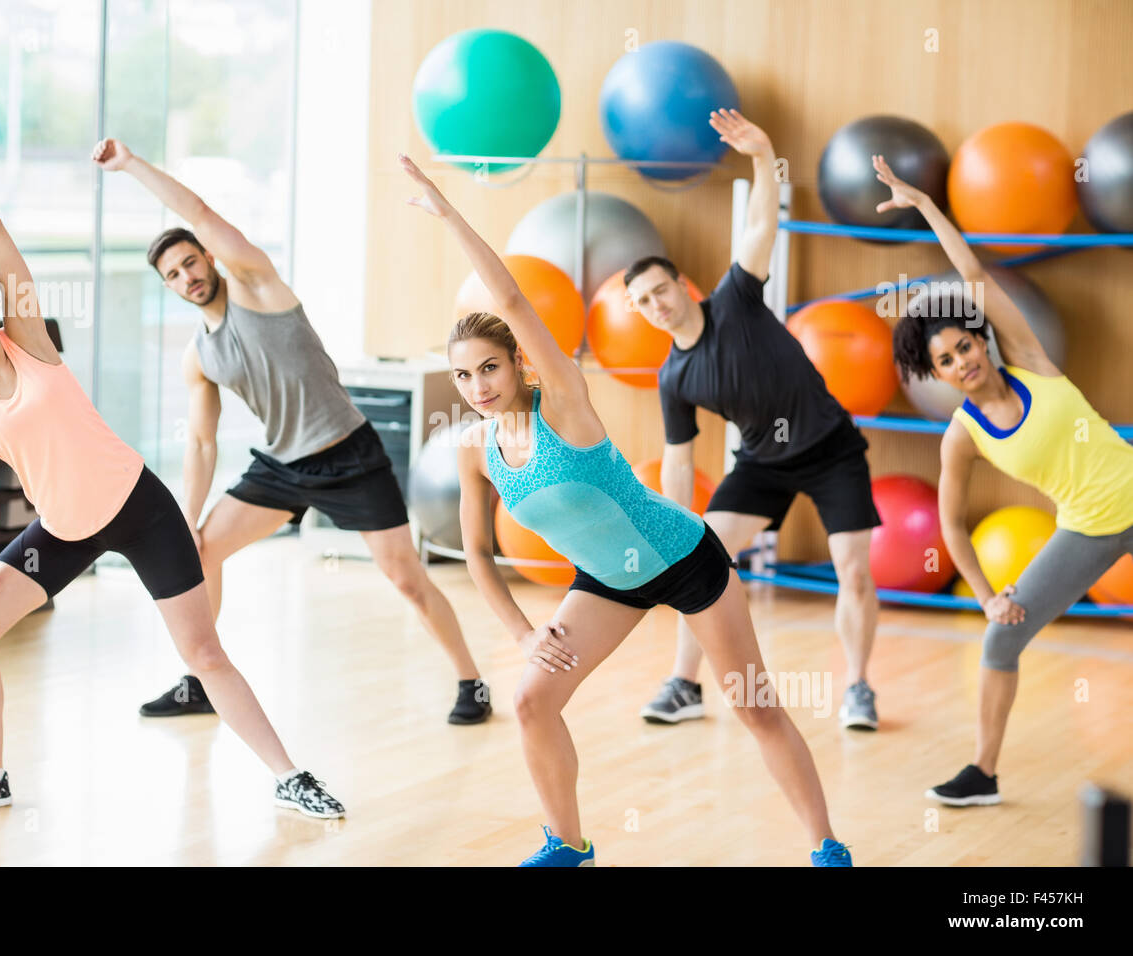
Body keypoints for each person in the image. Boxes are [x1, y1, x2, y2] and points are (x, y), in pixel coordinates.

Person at [0, 155, 345, 820]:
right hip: (63, 527)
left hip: (139, 506)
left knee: (202, 650)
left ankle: (291, 775)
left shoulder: (26, 336)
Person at [399, 152, 852, 867]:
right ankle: (568, 844)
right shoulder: (475, 450)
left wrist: (449, 213)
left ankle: (826, 846)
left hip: (685, 558)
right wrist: (521, 634)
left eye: (489, 367)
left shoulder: (567, 402)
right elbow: (478, 556)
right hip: (608, 580)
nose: (477, 385)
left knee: (755, 706)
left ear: (517, 362)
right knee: (531, 701)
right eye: (462, 375)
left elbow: (513, 300)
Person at [91, 138, 491, 725]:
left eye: (191, 262)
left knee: (406, 580)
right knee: (201, 552)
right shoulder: (200, 356)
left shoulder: (259, 287)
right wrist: (191, 519)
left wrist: (130, 165)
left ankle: (471, 680)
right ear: (169, 287)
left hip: (351, 455)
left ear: (208, 257)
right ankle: (202, 678)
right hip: (281, 466)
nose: (186, 277)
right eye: (173, 275)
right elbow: (201, 444)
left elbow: (201, 213)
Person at [877, 154, 1133, 807]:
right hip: (1089, 529)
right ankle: (983, 773)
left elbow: (972, 273)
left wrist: (925, 205)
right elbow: (952, 525)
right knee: (1002, 635)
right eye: (945, 360)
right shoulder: (961, 436)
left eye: (964, 345)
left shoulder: (1028, 358)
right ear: (935, 375)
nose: (961, 361)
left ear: (981, 341)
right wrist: (990, 596)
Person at [626, 110, 883, 731]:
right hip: (762, 462)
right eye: (641, 302)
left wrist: (763, 153)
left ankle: (858, 689)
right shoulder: (673, 377)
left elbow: (761, 224)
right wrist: (674, 531)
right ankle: (685, 685)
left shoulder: (735, 299)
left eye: (660, 291)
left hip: (831, 449)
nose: (655, 306)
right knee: (703, 557)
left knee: (851, 564)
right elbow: (681, 460)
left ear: (681, 286)